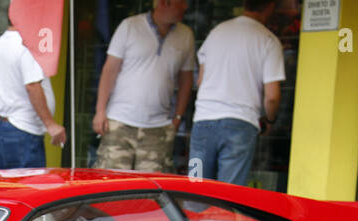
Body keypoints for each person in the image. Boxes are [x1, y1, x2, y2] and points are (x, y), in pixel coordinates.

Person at [189, 0, 284, 186]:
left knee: (195, 185)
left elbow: (200, 81)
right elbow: (272, 96)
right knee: (229, 195)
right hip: (240, 124)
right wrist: (269, 120)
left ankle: (192, 214)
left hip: (203, 123)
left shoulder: (217, 33)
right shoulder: (268, 40)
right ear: (270, 6)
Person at [92, 0, 194, 173]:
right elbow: (110, 70)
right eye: (181, 2)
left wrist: (177, 118)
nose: (185, 7)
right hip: (119, 122)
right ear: (164, 3)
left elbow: (186, 79)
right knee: (111, 186)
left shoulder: (186, 35)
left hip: (158, 128)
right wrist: (100, 111)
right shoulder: (130, 26)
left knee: (152, 190)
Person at [0, 4, 66, 169]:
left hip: (2, 128)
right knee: (29, 189)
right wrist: (50, 124)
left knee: (5, 190)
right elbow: (32, 86)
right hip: (24, 131)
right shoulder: (27, 45)